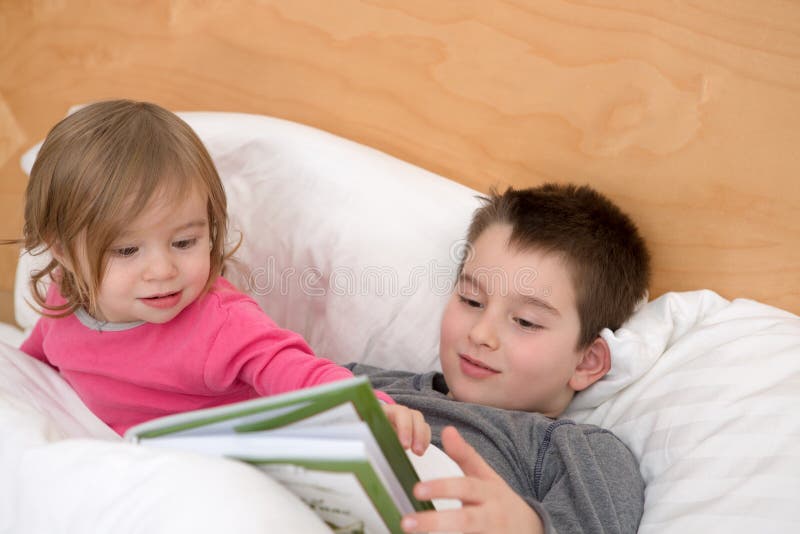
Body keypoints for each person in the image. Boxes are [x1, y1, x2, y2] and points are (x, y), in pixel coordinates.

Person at [14, 99, 429, 454]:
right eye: (126, 250)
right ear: (63, 251)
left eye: (184, 243)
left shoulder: (219, 323)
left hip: (222, 465)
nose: (162, 271)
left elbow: (295, 371)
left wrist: (371, 408)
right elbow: (34, 364)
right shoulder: (64, 297)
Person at [348, 184, 650, 533]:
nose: (480, 334)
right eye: (471, 301)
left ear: (586, 362)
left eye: (525, 322)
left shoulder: (578, 454)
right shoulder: (361, 384)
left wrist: (528, 529)